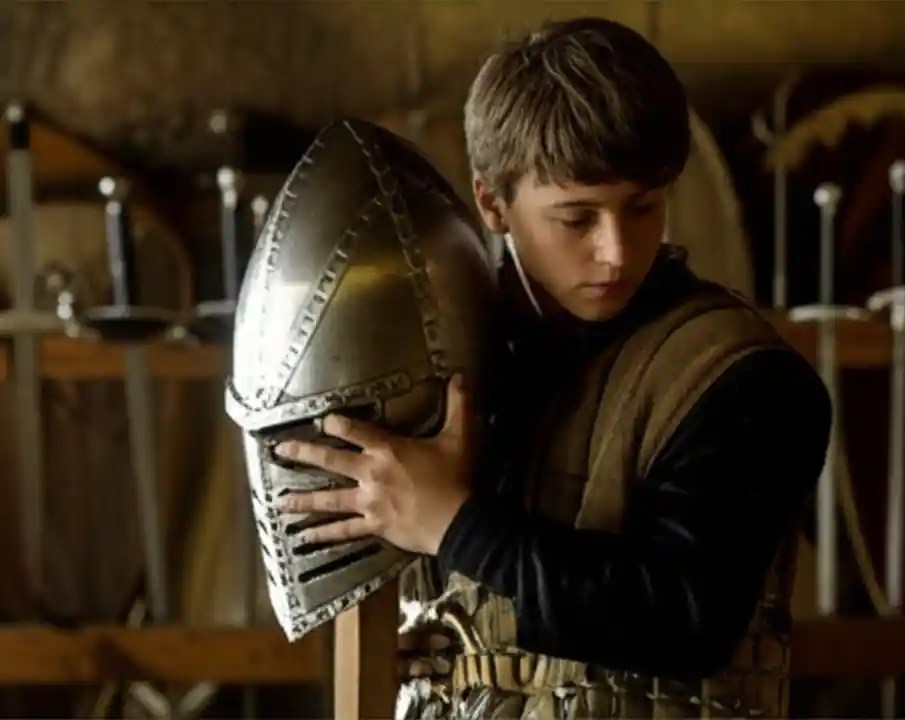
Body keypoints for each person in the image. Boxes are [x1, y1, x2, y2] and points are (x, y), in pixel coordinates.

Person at [272, 15, 832, 719]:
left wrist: (455, 525)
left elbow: (686, 618)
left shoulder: (739, 378)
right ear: (492, 202)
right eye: (577, 218)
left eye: (643, 207)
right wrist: (426, 648)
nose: (618, 252)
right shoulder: (446, 358)